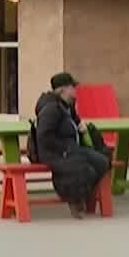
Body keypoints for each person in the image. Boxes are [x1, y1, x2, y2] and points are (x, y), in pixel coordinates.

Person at [33, 72, 111, 219]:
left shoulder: (67, 105)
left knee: (102, 161)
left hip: (71, 148)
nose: (76, 89)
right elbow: (44, 136)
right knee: (81, 166)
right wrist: (65, 149)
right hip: (53, 152)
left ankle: (83, 195)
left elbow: (73, 121)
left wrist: (80, 125)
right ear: (62, 89)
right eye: (72, 87)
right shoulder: (51, 108)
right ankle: (74, 198)